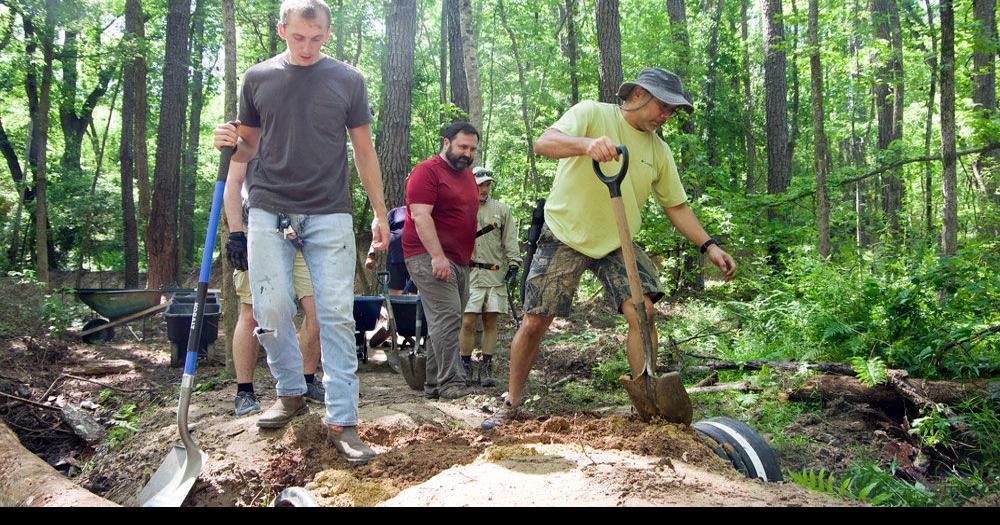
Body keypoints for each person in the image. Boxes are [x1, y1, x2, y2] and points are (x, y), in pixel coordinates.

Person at [483, 68, 737, 427]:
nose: (666, 116)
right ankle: (512, 403)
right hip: (566, 233)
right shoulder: (591, 113)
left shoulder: (659, 151)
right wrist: (586, 145)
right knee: (536, 320)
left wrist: (708, 245)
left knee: (644, 312)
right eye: (663, 106)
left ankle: (649, 406)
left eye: (672, 111)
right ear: (636, 95)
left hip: (619, 241)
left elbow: (677, 206)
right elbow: (544, 143)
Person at [214, 0, 389, 466]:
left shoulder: (348, 80)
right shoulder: (258, 79)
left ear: (327, 34)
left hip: (329, 212)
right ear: (282, 30)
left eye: (316, 38)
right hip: (268, 207)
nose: (307, 47)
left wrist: (378, 212)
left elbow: (364, 150)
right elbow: (247, 145)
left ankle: (343, 420)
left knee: (334, 315)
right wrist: (227, 142)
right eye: (298, 37)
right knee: (268, 310)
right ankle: (290, 389)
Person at [226, 159, 324, 417]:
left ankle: (305, 380)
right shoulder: (252, 126)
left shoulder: (308, 125)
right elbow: (233, 181)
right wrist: (236, 233)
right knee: (253, 311)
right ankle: (244, 391)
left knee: (318, 310)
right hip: (258, 227)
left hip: (302, 231)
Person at [402, 121, 481, 400]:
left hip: (459, 260)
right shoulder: (427, 171)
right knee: (447, 315)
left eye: (472, 149)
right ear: (446, 142)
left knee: (448, 319)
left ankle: (434, 383)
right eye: (462, 146)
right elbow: (421, 216)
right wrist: (437, 256)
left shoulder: (468, 175)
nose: (467, 153)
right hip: (427, 255)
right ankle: (451, 382)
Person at [458, 167, 521, 387]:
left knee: (490, 322)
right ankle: (464, 366)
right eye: (479, 185)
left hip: (494, 275)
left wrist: (514, 264)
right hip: (470, 275)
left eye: (487, 185)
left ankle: (486, 367)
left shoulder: (502, 210)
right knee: (467, 322)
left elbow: (510, 239)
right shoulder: (461, 208)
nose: (483, 189)